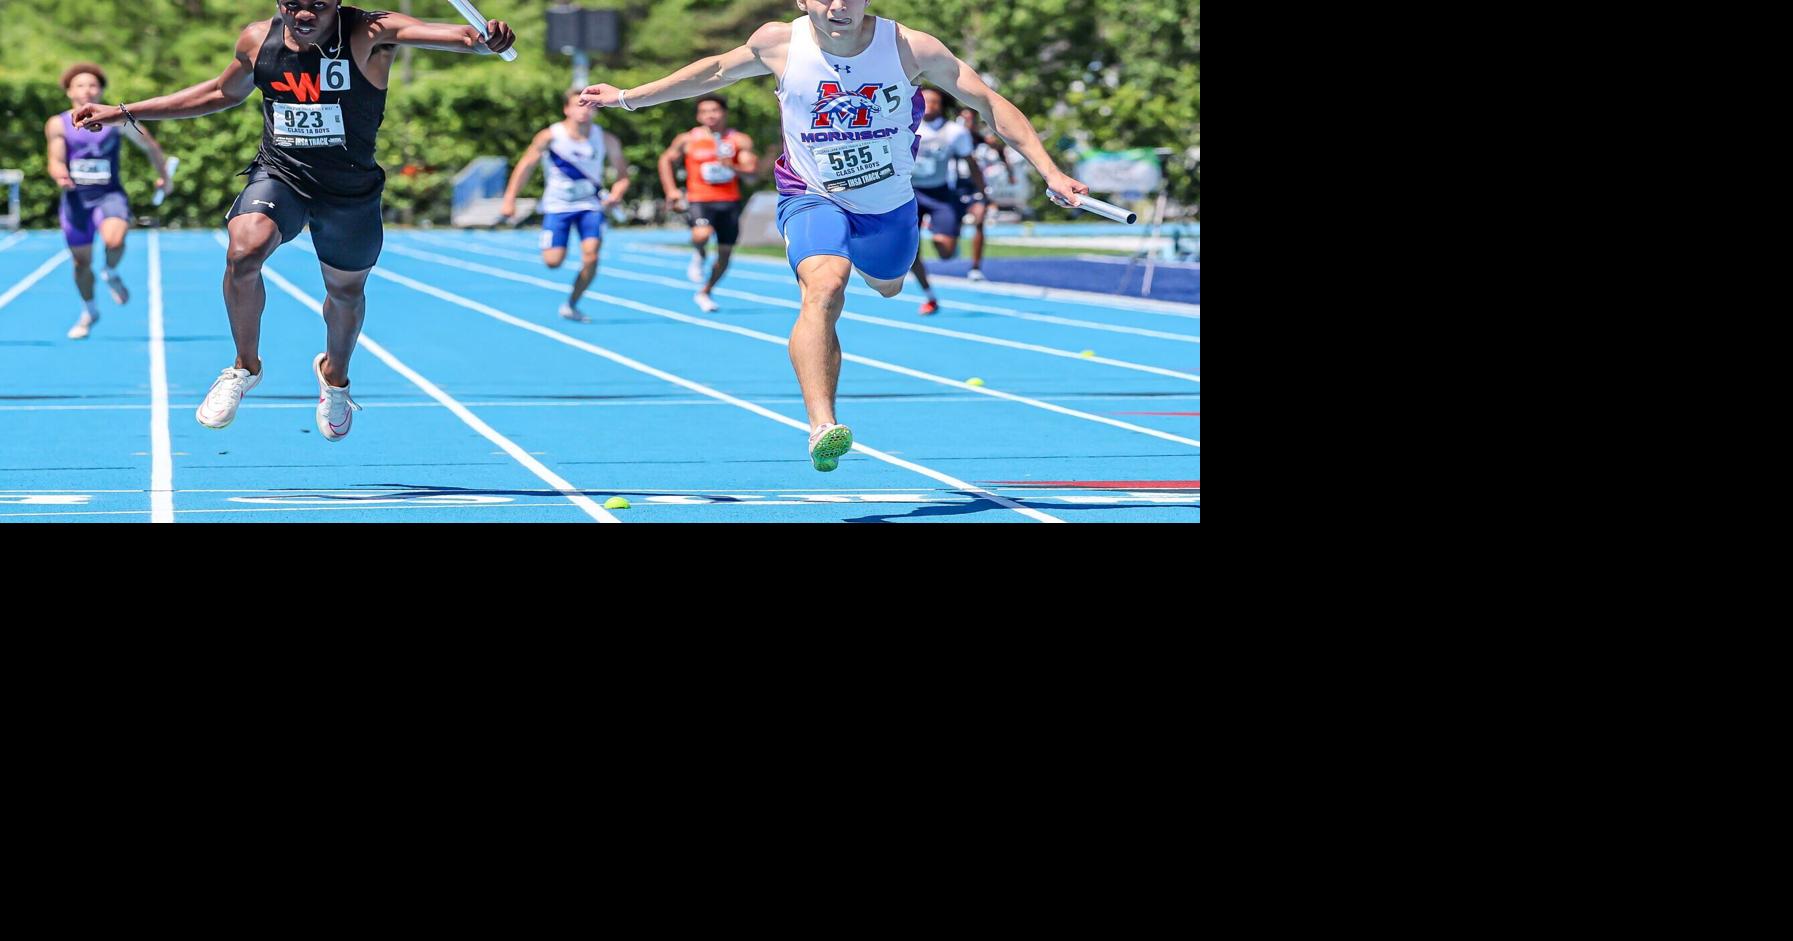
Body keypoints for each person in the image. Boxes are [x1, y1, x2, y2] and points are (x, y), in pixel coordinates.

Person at [579, 0, 1090, 471]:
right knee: (824, 286)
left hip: (888, 205)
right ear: (803, 1)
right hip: (812, 193)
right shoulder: (779, 41)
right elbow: (712, 70)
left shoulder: (912, 48)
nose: (838, 7)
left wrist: (1050, 171)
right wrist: (626, 97)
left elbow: (990, 104)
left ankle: (881, 277)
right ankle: (822, 424)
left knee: (888, 283)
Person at [73, 1, 515, 441]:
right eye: (294, 5)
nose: (304, 15)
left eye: (318, 6)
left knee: (345, 292)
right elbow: (221, 93)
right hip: (281, 174)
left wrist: (486, 40)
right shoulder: (257, 39)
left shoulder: (367, 31)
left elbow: (458, 36)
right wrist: (126, 112)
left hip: (349, 187)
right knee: (243, 252)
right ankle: (244, 368)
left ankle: (334, 378)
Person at [46, 62, 169, 340]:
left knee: (115, 240)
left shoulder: (117, 118)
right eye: (80, 85)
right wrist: (60, 174)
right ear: (69, 92)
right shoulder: (58, 123)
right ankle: (89, 311)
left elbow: (149, 145)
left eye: (92, 85)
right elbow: (55, 159)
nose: (86, 90)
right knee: (81, 263)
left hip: (109, 195)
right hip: (76, 200)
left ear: (100, 91)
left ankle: (110, 271)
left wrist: (164, 176)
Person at [500, 88, 631, 323]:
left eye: (590, 106)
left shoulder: (606, 139)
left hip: (590, 206)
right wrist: (510, 198)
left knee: (591, 256)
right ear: (566, 109)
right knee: (553, 262)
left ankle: (572, 304)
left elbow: (622, 175)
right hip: (557, 205)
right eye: (579, 105)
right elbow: (525, 166)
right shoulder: (550, 136)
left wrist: (616, 194)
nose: (584, 111)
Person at [656, 94, 757, 312]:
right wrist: (671, 190)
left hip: (729, 201)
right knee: (701, 234)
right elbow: (665, 160)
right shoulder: (688, 139)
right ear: (698, 116)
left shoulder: (739, 140)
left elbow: (752, 174)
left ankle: (705, 291)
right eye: (704, 111)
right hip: (699, 199)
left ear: (724, 113)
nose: (710, 115)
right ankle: (699, 253)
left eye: (714, 110)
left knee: (725, 255)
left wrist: (733, 167)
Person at [904, 86, 982, 315]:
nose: (929, 105)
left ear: (942, 105)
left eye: (934, 101)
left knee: (945, 251)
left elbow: (971, 163)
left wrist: (981, 194)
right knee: (911, 252)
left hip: (941, 194)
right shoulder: (905, 126)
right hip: (910, 193)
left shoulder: (955, 132)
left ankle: (942, 231)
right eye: (925, 100)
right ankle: (929, 296)